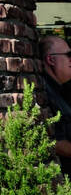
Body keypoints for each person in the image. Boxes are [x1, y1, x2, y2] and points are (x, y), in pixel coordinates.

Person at [39, 33, 71, 174]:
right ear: (51, 60)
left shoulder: (58, 90)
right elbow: (54, 142)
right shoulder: (45, 93)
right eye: (68, 55)